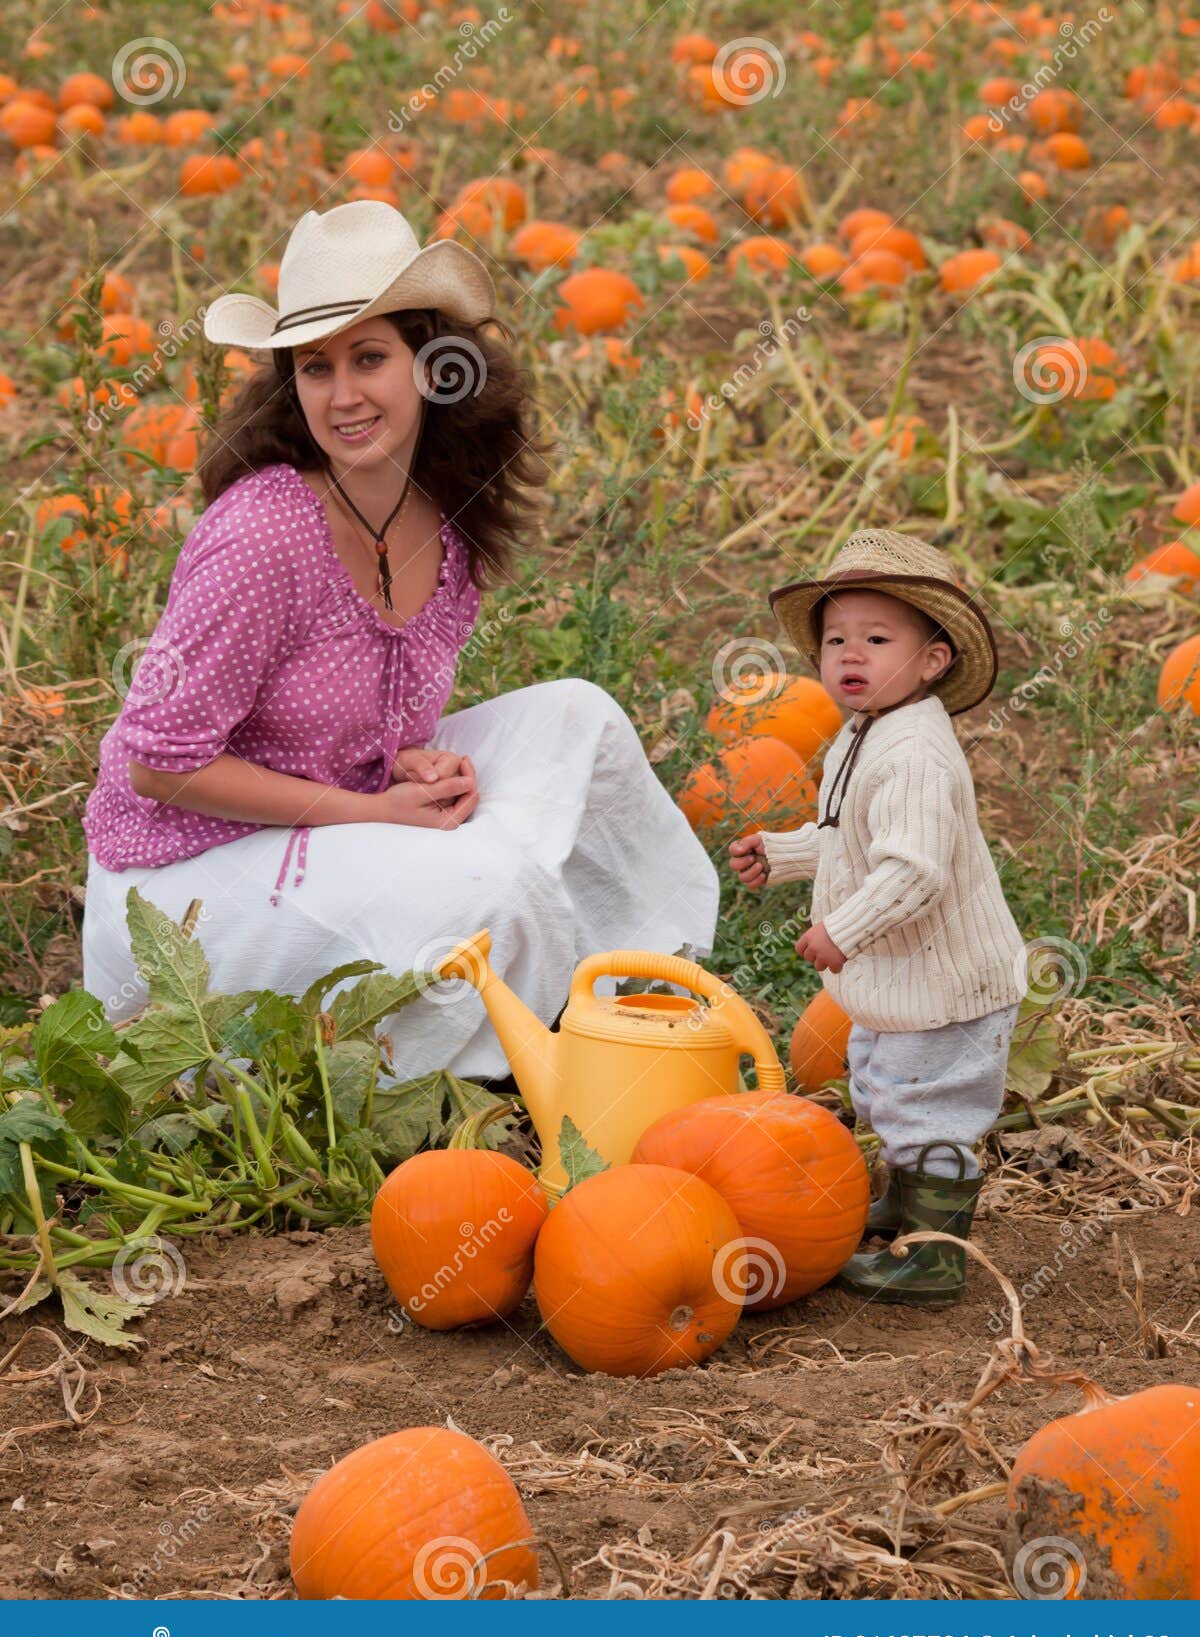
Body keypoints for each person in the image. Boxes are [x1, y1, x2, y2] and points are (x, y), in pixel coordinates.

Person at [81, 201, 719, 1079]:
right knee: (487, 892)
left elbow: (347, 705)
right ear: (289, 385)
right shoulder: (262, 536)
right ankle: (525, 1049)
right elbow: (157, 763)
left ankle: (644, 983)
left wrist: (407, 759)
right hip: (185, 892)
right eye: (315, 368)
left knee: (582, 719)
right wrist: (374, 810)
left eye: (369, 358)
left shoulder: (444, 514)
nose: (343, 396)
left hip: (325, 806)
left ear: (431, 367)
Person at [729, 529, 1027, 1306]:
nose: (850, 654)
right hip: (906, 980)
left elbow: (913, 871)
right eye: (835, 639)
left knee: (929, 1105)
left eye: (877, 638)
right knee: (886, 1088)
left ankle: (935, 1259)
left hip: (948, 982)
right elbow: (849, 837)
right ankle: (907, 1203)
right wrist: (786, 854)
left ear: (933, 660)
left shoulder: (915, 755)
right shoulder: (865, 734)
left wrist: (842, 931)